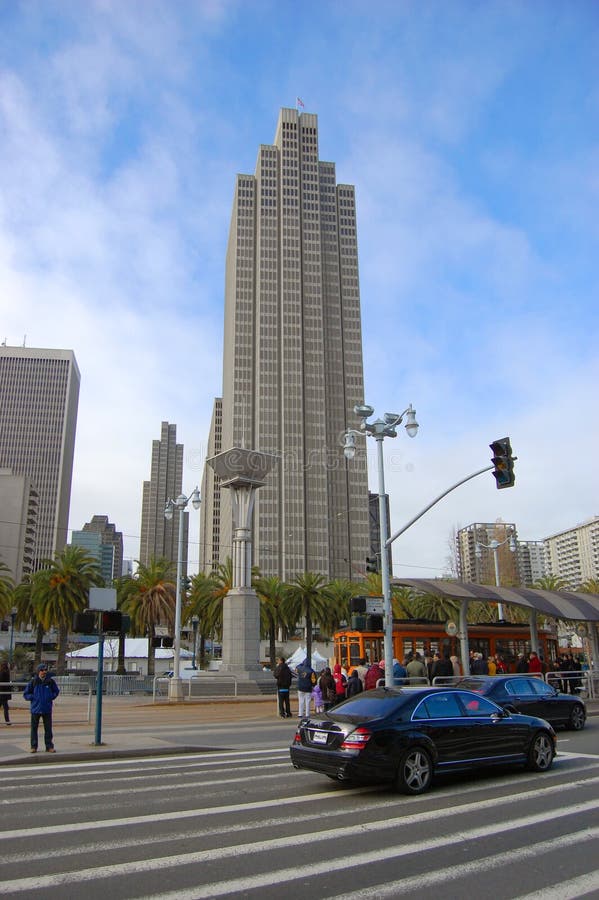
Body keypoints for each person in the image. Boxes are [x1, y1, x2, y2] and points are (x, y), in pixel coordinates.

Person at [23, 663, 60, 753]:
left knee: (48, 729)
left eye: (45, 670)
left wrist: (51, 696)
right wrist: (33, 698)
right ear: (38, 671)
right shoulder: (33, 682)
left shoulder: (50, 681)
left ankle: (49, 746)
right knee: (34, 729)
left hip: (46, 709)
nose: (44, 672)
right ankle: (34, 746)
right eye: (42, 670)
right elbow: (26, 694)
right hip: (36, 709)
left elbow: (56, 691)